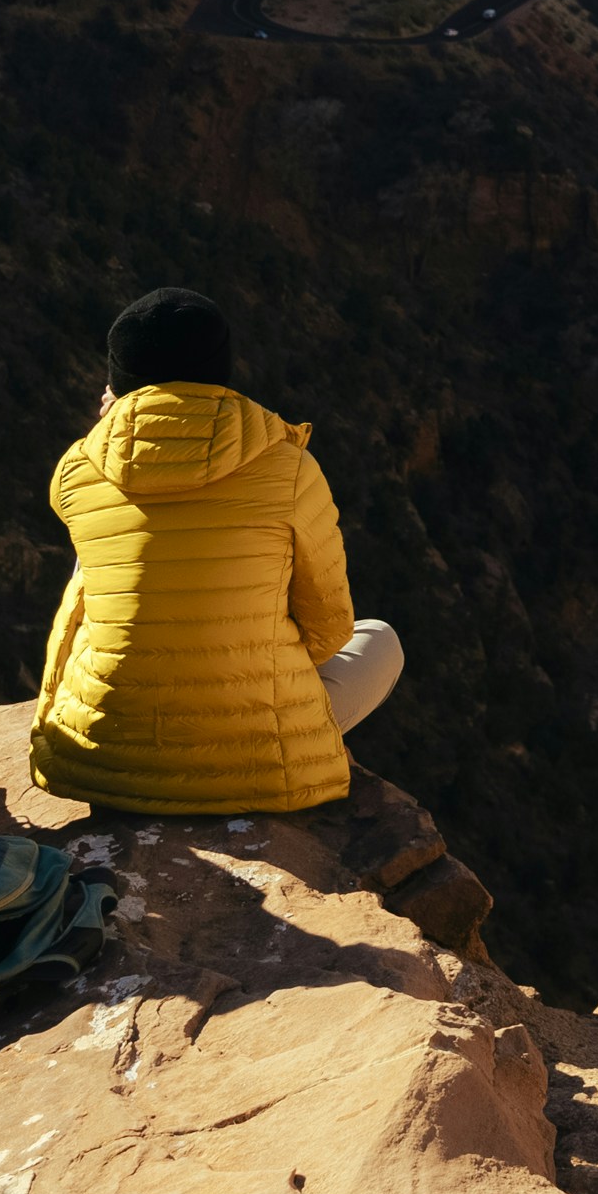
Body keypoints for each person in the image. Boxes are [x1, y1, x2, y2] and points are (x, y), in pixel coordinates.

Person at [27, 287, 403, 815]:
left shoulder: (76, 471)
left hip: (105, 758)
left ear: (115, 382)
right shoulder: (290, 467)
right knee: (380, 640)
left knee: (97, 560)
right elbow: (330, 631)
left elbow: (81, 620)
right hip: (254, 759)